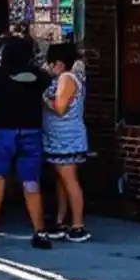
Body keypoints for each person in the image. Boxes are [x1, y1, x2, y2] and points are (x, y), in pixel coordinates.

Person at [0, 35, 53, 250]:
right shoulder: (40, 77)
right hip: (31, 130)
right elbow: (47, 82)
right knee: (31, 181)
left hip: (2, 130)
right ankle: (40, 231)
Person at [43, 43, 90, 242]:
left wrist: (44, 100)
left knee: (69, 180)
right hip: (59, 137)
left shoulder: (67, 78)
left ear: (59, 64)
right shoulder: (68, 78)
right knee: (61, 180)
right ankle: (61, 220)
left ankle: (78, 224)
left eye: (50, 63)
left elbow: (60, 107)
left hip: (66, 138)